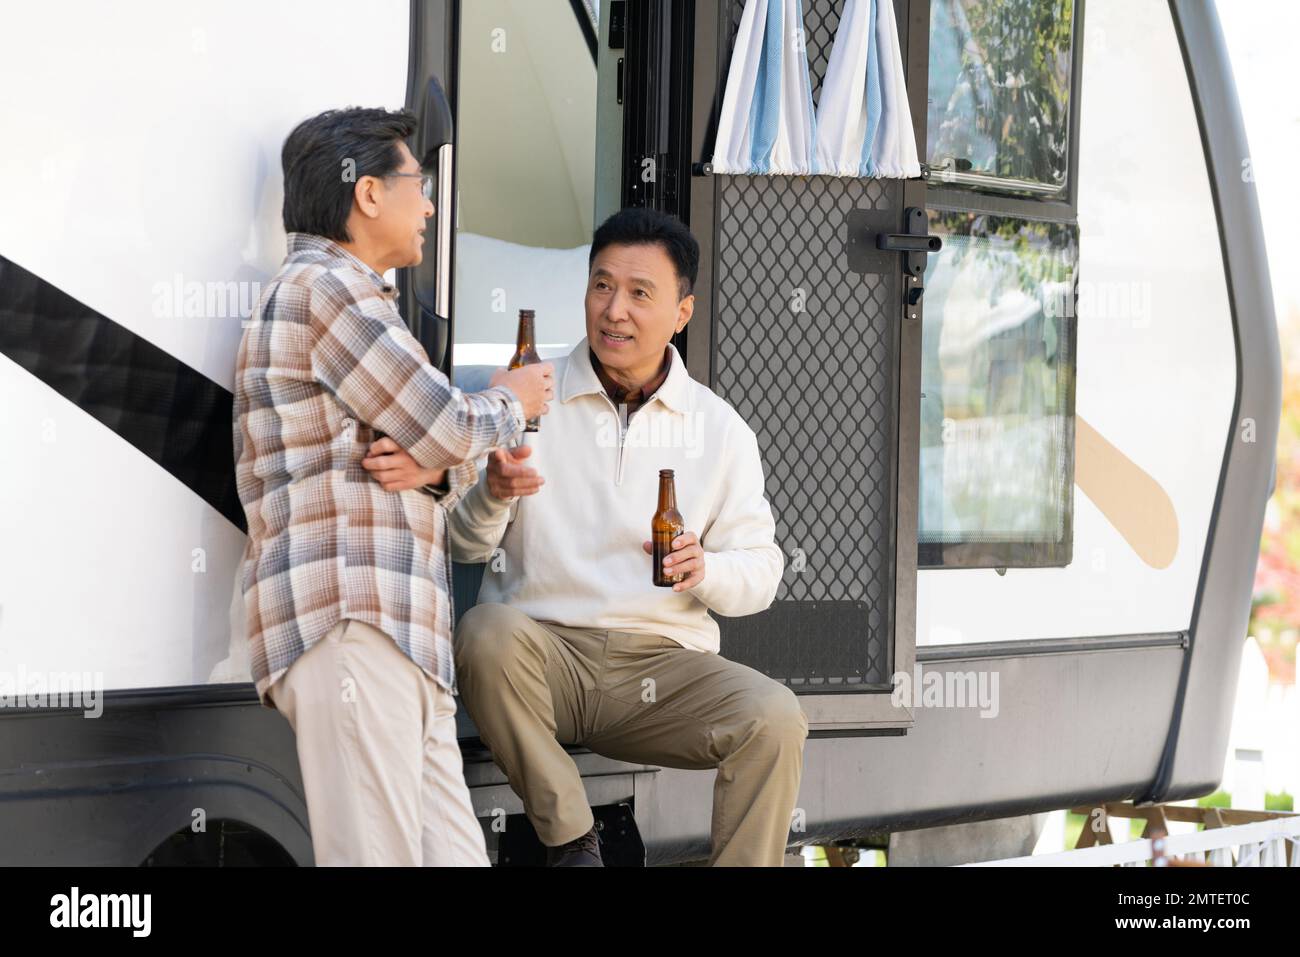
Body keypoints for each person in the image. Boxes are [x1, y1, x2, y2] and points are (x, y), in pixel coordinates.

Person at [374, 207, 807, 866]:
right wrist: (495, 493)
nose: (615, 310)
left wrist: (704, 569)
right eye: (601, 286)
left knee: (775, 717)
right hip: (544, 656)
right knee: (484, 631)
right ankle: (573, 840)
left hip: (662, 666)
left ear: (682, 313)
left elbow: (763, 572)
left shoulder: (721, 431)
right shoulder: (525, 397)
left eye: (640, 293)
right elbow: (461, 544)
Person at [232, 106, 553, 866]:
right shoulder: (328, 289)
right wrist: (514, 400)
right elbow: (441, 418)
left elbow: (431, 440)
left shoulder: (342, 294)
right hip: (356, 623)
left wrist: (440, 464)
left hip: (395, 635)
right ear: (367, 193)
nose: (431, 205)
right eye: (420, 184)